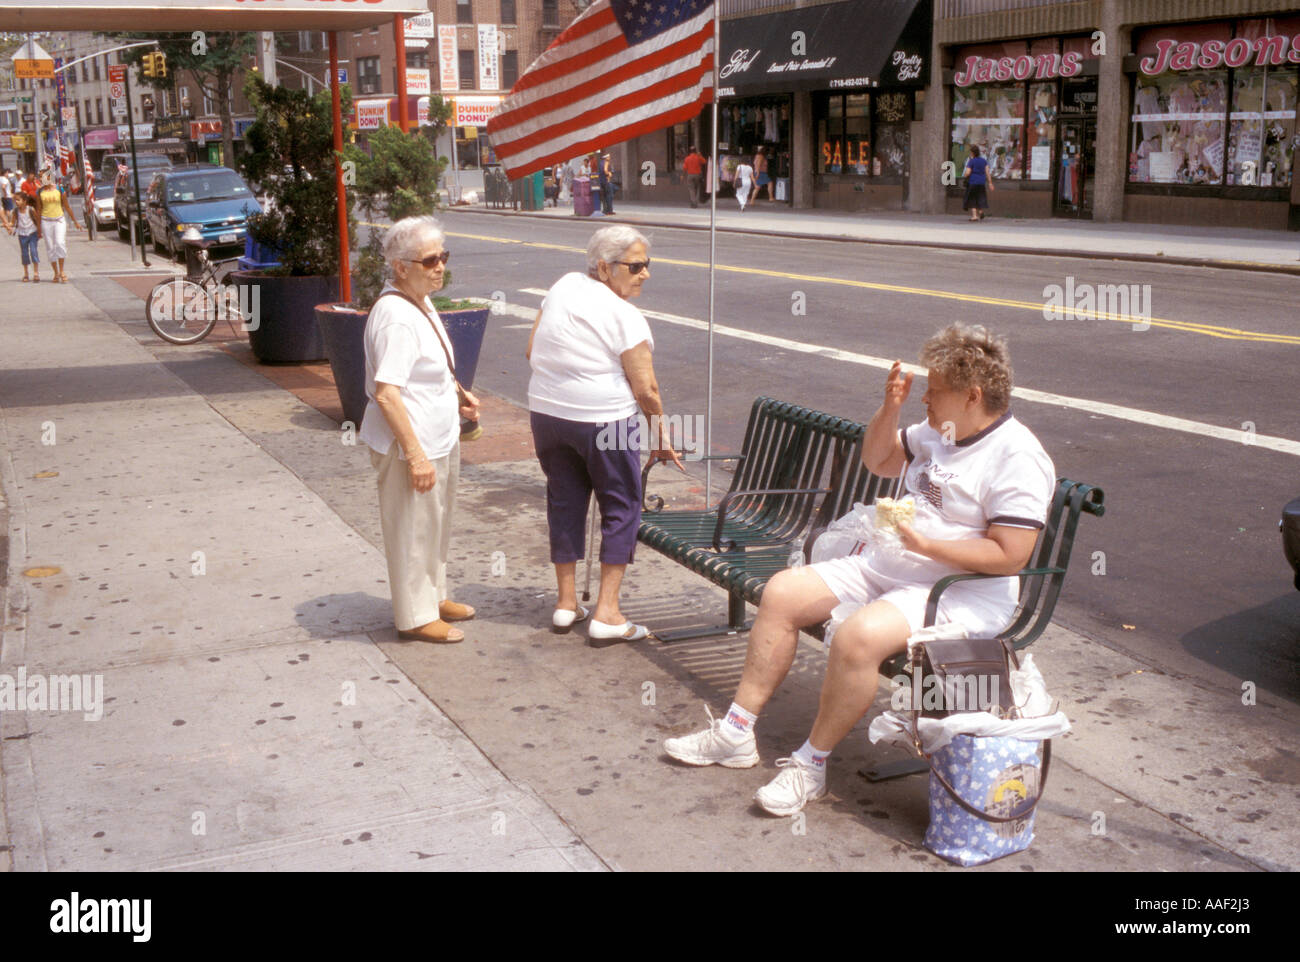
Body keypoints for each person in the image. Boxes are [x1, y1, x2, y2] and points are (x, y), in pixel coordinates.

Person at [663, 324, 1055, 817]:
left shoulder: (1017, 457)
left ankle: (811, 765)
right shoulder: (941, 431)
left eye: (933, 394)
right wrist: (889, 407)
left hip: (956, 593)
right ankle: (736, 733)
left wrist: (926, 543)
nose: (925, 403)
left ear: (972, 395)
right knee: (783, 592)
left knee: (857, 638)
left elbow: (1011, 554)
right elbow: (878, 459)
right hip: (889, 564)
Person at [526, 225, 685, 642]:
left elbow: (532, 349)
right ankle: (607, 614)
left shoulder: (563, 286)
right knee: (621, 505)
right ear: (603, 267)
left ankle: (565, 605)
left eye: (647, 265)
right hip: (604, 421)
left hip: (547, 415)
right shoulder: (626, 316)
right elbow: (646, 390)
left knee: (564, 500)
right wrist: (661, 436)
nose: (645, 274)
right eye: (635, 266)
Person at [359, 215, 482, 645]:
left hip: (438, 435)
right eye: (429, 260)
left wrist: (459, 394)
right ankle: (414, 616)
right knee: (412, 529)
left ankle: (434, 596)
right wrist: (414, 454)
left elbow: (430, 366)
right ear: (400, 266)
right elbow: (388, 393)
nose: (439, 266)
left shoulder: (419, 301)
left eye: (442, 257)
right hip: (411, 442)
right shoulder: (396, 316)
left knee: (436, 523)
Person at [37, 173, 69, 283]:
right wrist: (38, 228)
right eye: (40, 177)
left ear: (49, 177)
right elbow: (38, 209)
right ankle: (56, 272)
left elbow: (66, 205)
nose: (42, 179)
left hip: (59, 220)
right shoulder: (40, 191)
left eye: (43, 176)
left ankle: (62, 271)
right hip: (46, 221)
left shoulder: (59, 188)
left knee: (60, 243)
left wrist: (75, 221)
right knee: (50, 247)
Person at [11, 192, 41, 283]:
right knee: (24, 254)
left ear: (24, 201)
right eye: (15, 200)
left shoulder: (30, 209)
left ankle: (36, 273)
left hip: (32, 233)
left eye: (18, 200)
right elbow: (12, 222)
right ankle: (26, 273)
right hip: (22, 234)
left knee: (33, 251)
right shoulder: (15, 211)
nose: (16, 202)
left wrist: (39, 231)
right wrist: (8, 225)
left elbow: (37, 220)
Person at [963, 144, 991, 222]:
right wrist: (990, 183)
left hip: (973, 182)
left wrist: (965, 175)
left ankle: (974, 216)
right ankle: (981, 211)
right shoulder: (984, 161)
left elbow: (968, 172)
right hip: (981, 182)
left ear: (972, 153)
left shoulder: (971, 161)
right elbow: (987, 172)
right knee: (980, 197)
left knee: (972, 198)